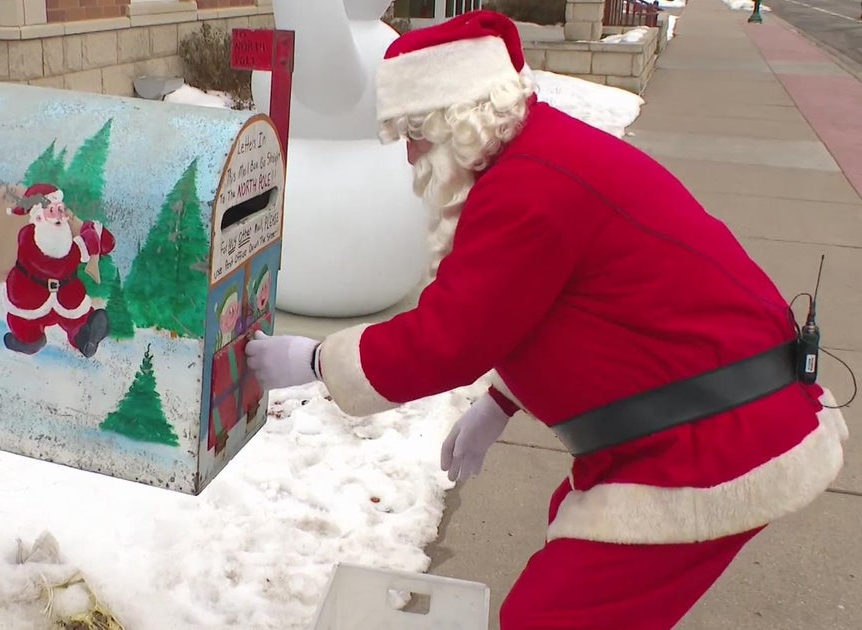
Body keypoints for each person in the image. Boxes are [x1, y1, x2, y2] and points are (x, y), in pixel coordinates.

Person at [244, 10, 848, 629]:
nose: (410, 159)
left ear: (458, 120)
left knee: (550, 617)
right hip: (709, 417)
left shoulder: (527, 188)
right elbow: (550, 306)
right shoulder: (538, 154)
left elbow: (446, 340)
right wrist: (500, 405)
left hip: (716, 442)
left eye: (414, 136)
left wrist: (315, 360)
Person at [2, 183, 116, 357]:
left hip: (65, 299)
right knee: (26, 327)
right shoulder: (29, 238)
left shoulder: (66, 240)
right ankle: (28, 342)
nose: (59, 215)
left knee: (78, 321)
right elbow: (55, 264)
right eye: (52, 210)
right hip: (32, 301)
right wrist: (83, 242)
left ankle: (86, 339)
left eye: (60, 209)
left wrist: (90, 230)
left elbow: (106, 244)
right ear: (38, 216)